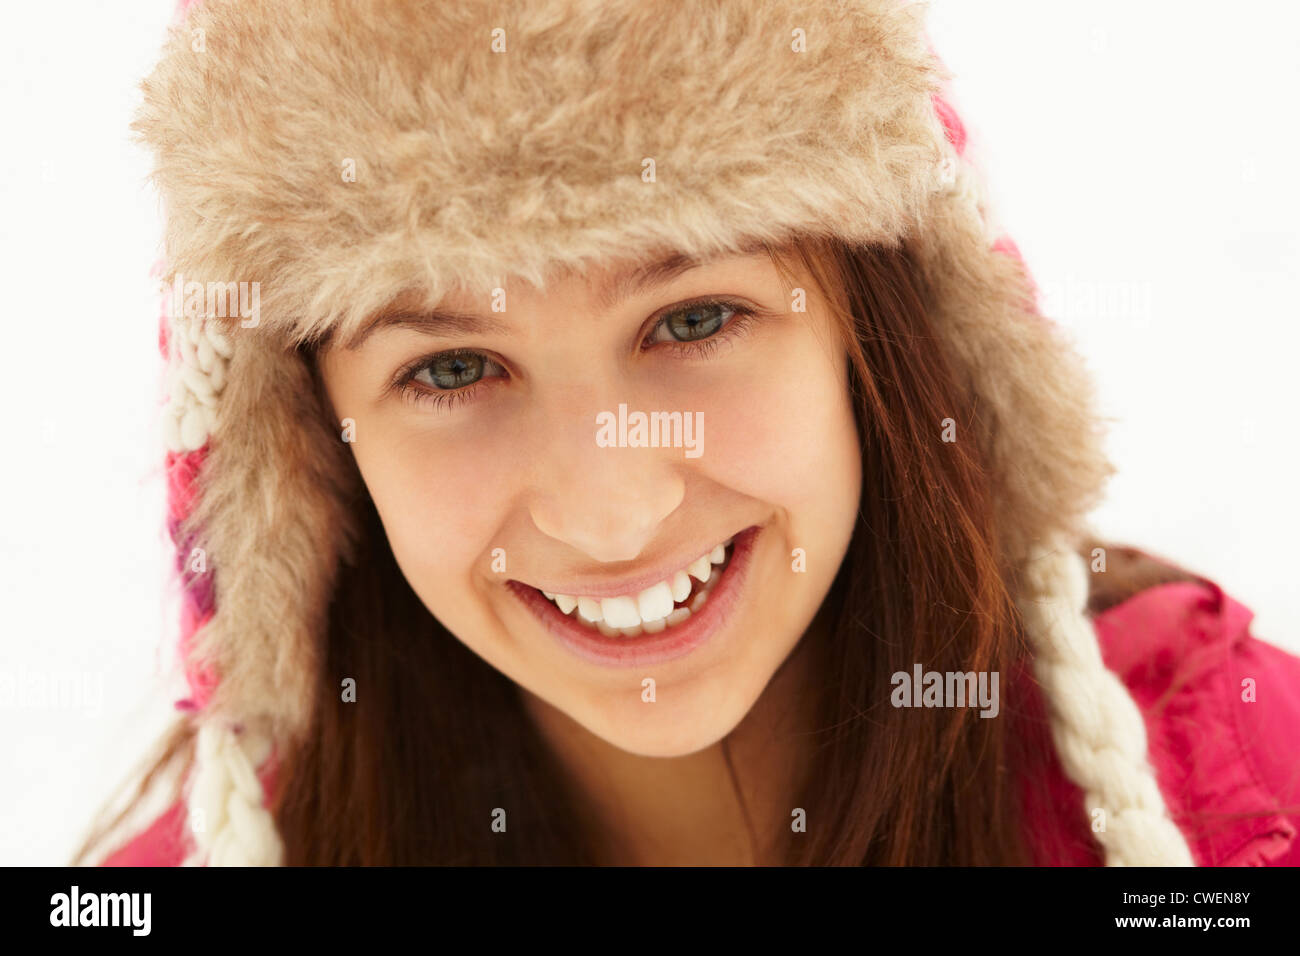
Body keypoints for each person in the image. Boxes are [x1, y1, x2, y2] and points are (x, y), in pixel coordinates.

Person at [76, 0, 1300, 866]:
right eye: (450, 366)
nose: (610, 511)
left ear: (879, 333)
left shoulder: (1245, 788)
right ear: (314, 449)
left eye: (694, 315)